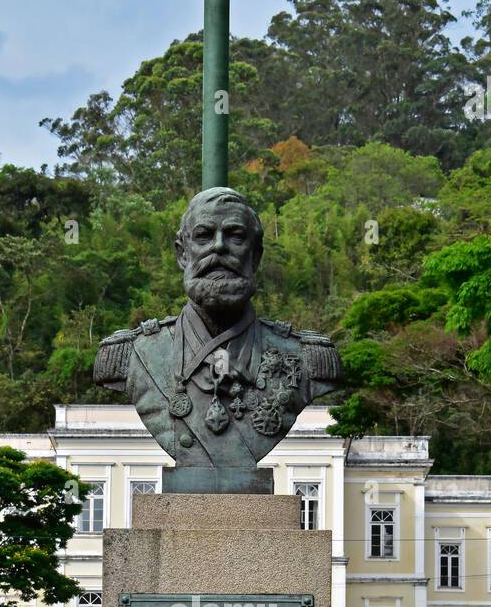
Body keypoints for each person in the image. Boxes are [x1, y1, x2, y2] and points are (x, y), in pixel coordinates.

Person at [94, 187, 342, 493]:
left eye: (235, 236)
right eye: (204, 236)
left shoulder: (306, 360)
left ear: (256, 255)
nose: (219, 248)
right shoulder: (134, 356)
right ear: (182, 254)